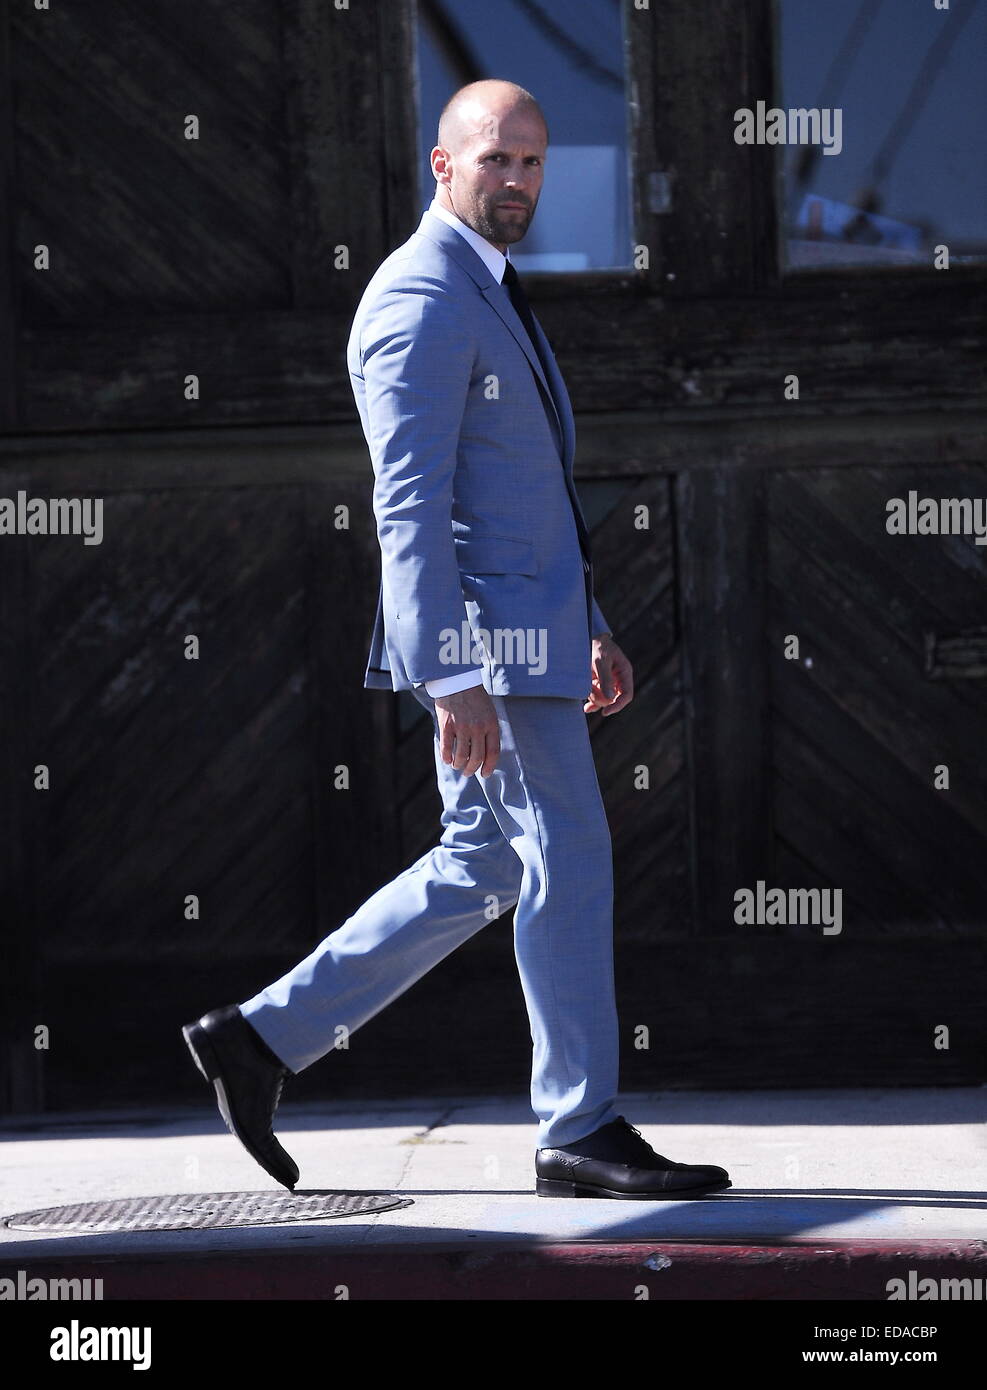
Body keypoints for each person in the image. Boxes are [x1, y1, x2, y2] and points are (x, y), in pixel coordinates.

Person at [183, 79, 730, 1201]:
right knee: (566, 860)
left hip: (533, 643)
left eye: (534, 162)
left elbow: (513, 495)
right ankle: (579, 1125)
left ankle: (257, 1039)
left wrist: (592, 626)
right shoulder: (420, 297)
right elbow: (412, 507)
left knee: (482, 864)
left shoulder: (490, 288)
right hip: (487, 657)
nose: (519, 180)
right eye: (497, 160)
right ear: (444, 166)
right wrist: (450, 673)